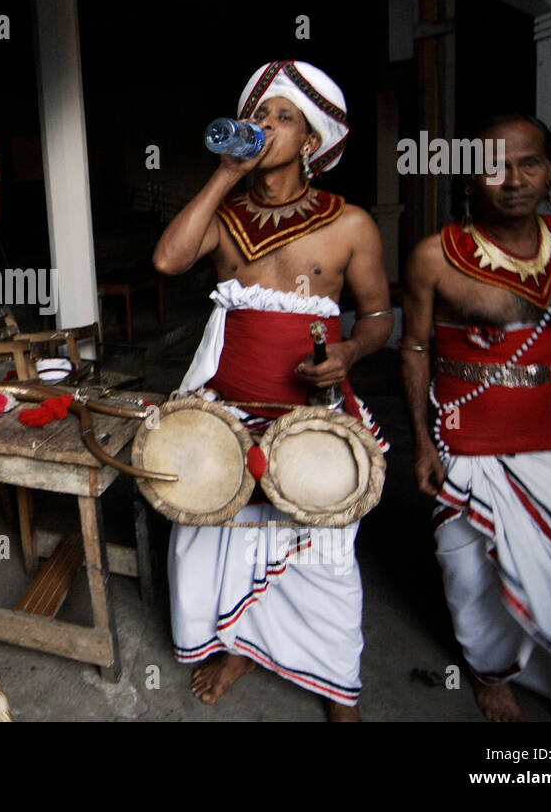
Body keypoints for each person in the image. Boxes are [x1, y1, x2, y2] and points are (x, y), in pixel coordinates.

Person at [152, 60, 392, 720]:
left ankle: (339, 684)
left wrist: (348, 350)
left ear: (312, 142)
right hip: (226, 412)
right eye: (258, 115)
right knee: (218, 534)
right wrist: (227, 170)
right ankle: (237, 645)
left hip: (311, 417)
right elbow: (168, 260)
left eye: (282, 117)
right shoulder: (227, 217)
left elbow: (378, 317)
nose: (264, 127)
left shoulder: (351, 225)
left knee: (322, 553)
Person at [400, 114, 551, 722]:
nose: (513, 179)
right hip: (468, 447)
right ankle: (491, 675)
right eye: (494, 166)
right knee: (469, 577)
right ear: (470, 180)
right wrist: (422, 443)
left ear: (550, 173)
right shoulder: (434, 257)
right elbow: (413, 348)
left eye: (530, 164)